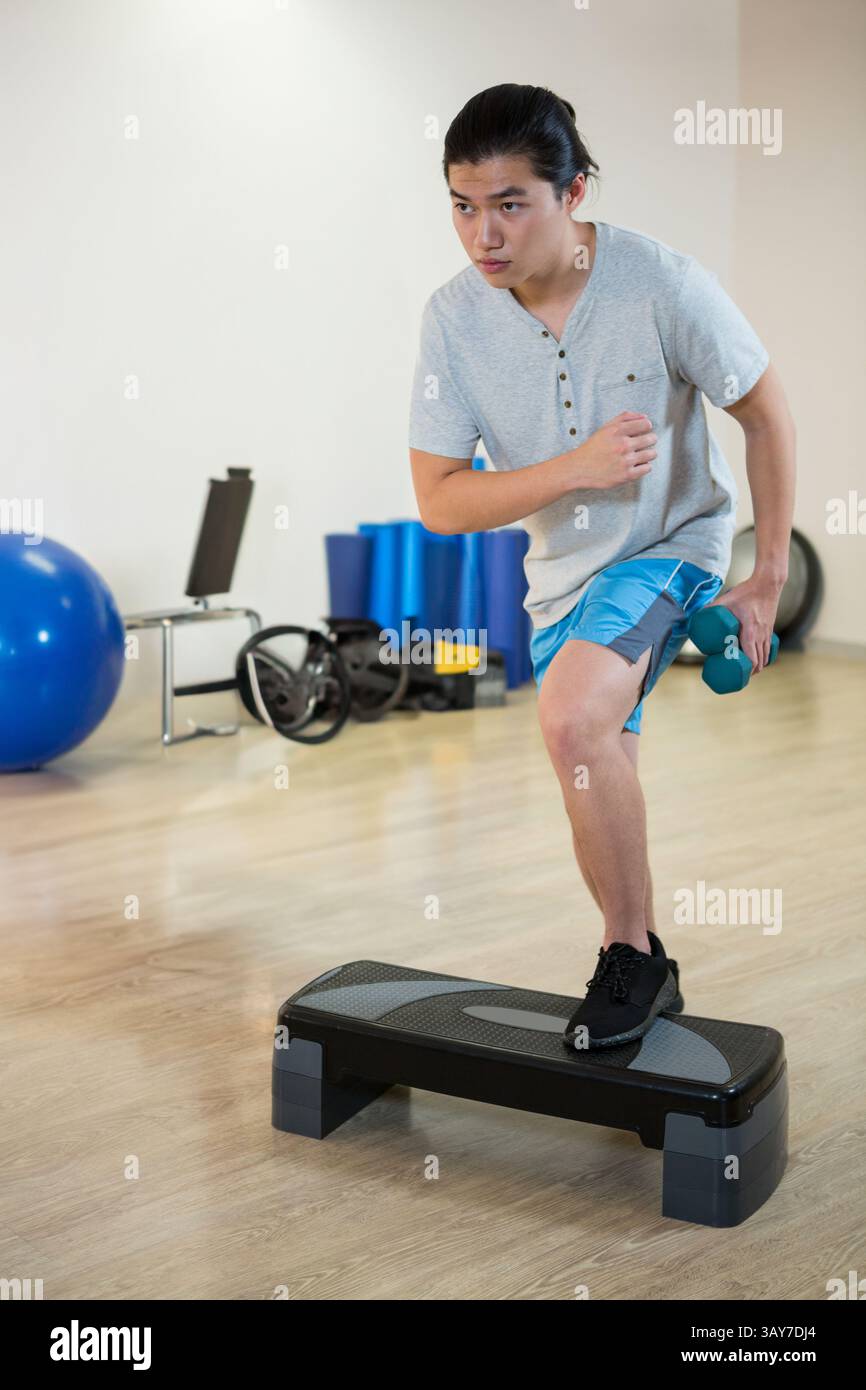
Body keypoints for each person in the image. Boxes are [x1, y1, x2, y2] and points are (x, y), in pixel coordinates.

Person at [408, 83, 795, 1050]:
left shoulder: (661, 283)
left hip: (671, 548)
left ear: (573, 190)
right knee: (593, 753)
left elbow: (764, 411)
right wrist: (572, 471)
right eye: (462, 204)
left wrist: (768, 575)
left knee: (572, 716)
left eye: (509, 204)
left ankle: (630, 955)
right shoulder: (454, 321)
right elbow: (442, 500)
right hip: (561, 581)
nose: (482, 234)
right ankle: (643, 959)